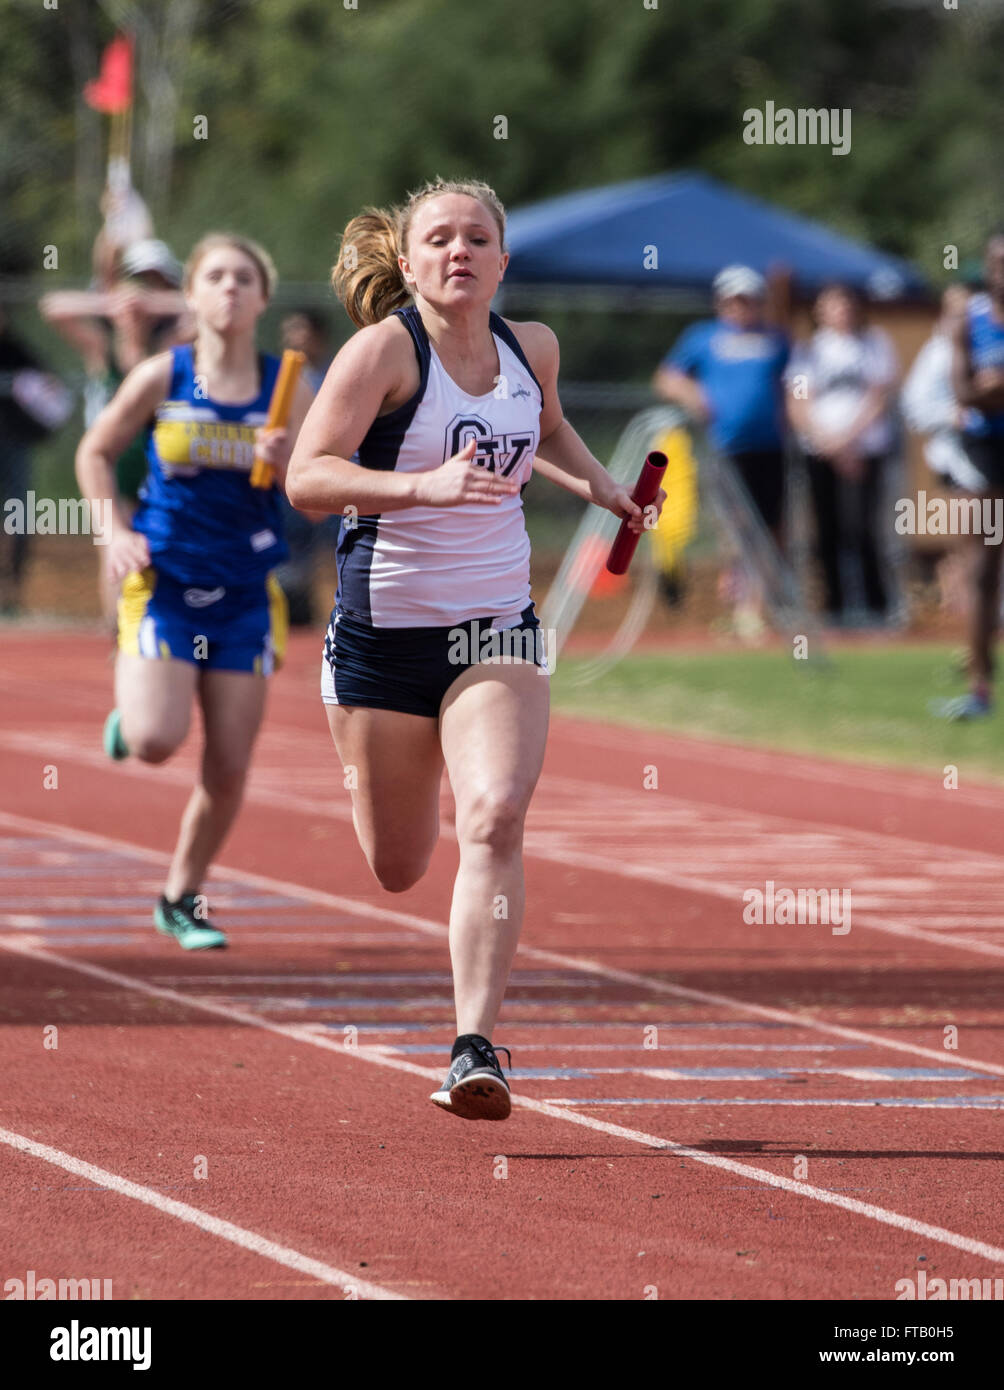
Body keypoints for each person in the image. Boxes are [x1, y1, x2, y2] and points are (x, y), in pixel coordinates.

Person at [286, 177, 663, 1121]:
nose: (460, 251)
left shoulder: (530, 346)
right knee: (399, 865)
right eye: (440, 239)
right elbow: (307, 477)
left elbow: (547, 427)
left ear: (503, 259)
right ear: (408, 263)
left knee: (494, 815)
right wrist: (423, 489)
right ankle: (367, 760)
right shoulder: (382, 353)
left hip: (496, 625)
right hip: (382, 640)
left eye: (477, 237)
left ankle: (472, 1046)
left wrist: (601, 487)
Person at [75, 233, 313, 949]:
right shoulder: (161, 375)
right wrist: (110, 531)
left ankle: (181, 895)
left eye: (245, 277)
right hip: (167, 581)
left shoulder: (290, 387)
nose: (230, 289)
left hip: (245, 589)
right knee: (154, 741)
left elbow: (323, 495)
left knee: (229, 765)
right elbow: (95, 451)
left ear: (263, 297)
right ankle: (134, 714)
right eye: (215, 276)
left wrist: (293, 461)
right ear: (194, 294)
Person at [42, 237, 191, 626]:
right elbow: (52, 308)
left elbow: (201, 311)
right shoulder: (101, 346)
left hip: (159, 458)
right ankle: (116, 628)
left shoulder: (172, 345)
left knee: (159, 544)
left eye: (158, 284)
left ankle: (159, 622)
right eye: (140, 282)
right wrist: (112, 301)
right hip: (111, 459)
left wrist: (155, 302)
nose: (144, 294)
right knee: (112, 544)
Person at [653, 265, 790, 637]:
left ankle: (757, 606)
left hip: (770, 447)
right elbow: (667, 377)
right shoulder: (703, 338)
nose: (741, 307)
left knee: (768, 529)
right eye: (734, 300)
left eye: (748, 299)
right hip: (726, 448)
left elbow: (793, 384)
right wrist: (695, 396)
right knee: (736, 527)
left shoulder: (776, 340)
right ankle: (739, 604)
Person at [785, 283, 900, 627]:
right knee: (828, 529)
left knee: (864, 527)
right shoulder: (808, 351)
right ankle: (835, 609)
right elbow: (797, 402)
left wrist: (848, 442)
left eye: (846, 304)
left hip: (866, 450)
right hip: (821, 452)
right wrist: (827, 443)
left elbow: (879, 396)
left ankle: (877, 608)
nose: (841, 311)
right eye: (832, 305)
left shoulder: (873, 344)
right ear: (820, 311)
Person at [934, 232, 1004, 719]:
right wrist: (987, 391)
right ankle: (980, 687)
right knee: (982, 570)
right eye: (998, 264)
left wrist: (995, 384)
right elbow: (962, 391)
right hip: (986, 450)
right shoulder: (968, 319)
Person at [0, 305, 74, 613]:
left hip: (15, 445)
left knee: (18, 514)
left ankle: (12, 591)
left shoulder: (17, 350)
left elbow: (49, 386)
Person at [273, 309, 336, 625]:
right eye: (289, 332)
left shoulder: (335, 374)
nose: (294, 339)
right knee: (297, 564)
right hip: (292, 488)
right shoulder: (281, 380)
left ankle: (339, 622)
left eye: (301, 331)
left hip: (334, 484)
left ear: (317, 336)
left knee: (338, 558)